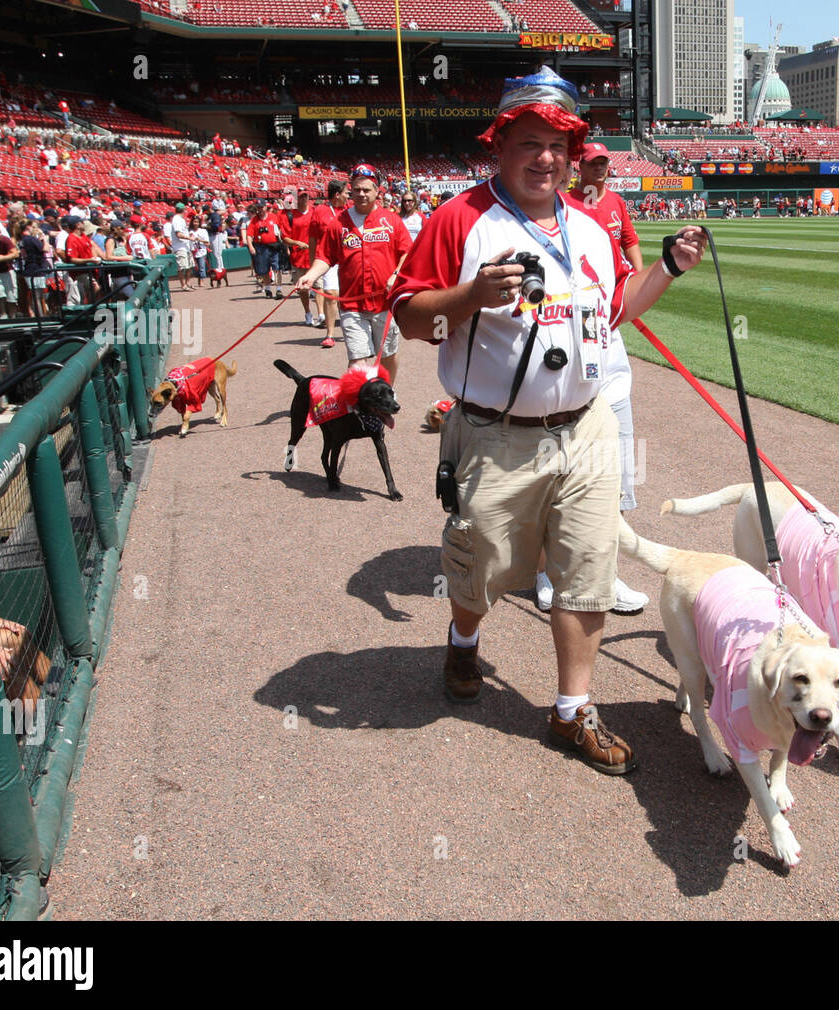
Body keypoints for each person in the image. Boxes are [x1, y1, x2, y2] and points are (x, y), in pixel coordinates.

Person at [390, 66, 708, 774]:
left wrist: (670, 267)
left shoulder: (590, 230)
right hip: (495, 435)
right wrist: (469, 295)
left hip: (587, 428)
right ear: (499, 149)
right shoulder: (461, 218)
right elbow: (410, 318)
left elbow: (617, 314)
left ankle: (571, 711)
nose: (545, 158)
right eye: (529, 143)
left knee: (587, 571)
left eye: (558, 146)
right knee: (481, 571)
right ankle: (464, 639)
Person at [554, 140, 649, 617]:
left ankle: (607, 575)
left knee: (617, 467)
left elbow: (630, 254)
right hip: (569, 339)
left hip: (608, 339)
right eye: (592, 162)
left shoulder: (614, 203)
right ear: (578, 167)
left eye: (604, 163)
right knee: (564, 463)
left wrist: (642, 277)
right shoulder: (562, 206)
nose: (600, 170)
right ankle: (549, 570)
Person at [294, 165, 412, 382]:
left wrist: (396, 274)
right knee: (358, 360)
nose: (361, 194)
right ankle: (361, 403)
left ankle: (387, 393)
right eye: (356, 190)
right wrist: (310, 275)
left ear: (377, 191)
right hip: (351, 305)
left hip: (385, 304)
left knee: (387, 355)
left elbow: (407, 253)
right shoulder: (339, 223)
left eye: (366, 190)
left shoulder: (391, 220)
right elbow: (324, 256)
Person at [309, 179, 349, 347]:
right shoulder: (320, 211)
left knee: (347, 298)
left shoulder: (350, 210)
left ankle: (350, 332)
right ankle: (330, 334)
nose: (349, 196)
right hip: (328, 260)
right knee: (331, 294)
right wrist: (313, 263)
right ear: (337, 195)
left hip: (348, 258)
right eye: (346, 193)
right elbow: (312, 237)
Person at [282, 192, 317, 325]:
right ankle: (308, 313)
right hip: (298, 257)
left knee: (320, 288)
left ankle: (321, 314)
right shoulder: (291, 215)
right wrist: (297, 243)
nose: (304, 198)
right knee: (303, 290)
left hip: (315, 256)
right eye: (301, 196)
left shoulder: (315, 212)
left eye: (306, 196)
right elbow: (284, 237)